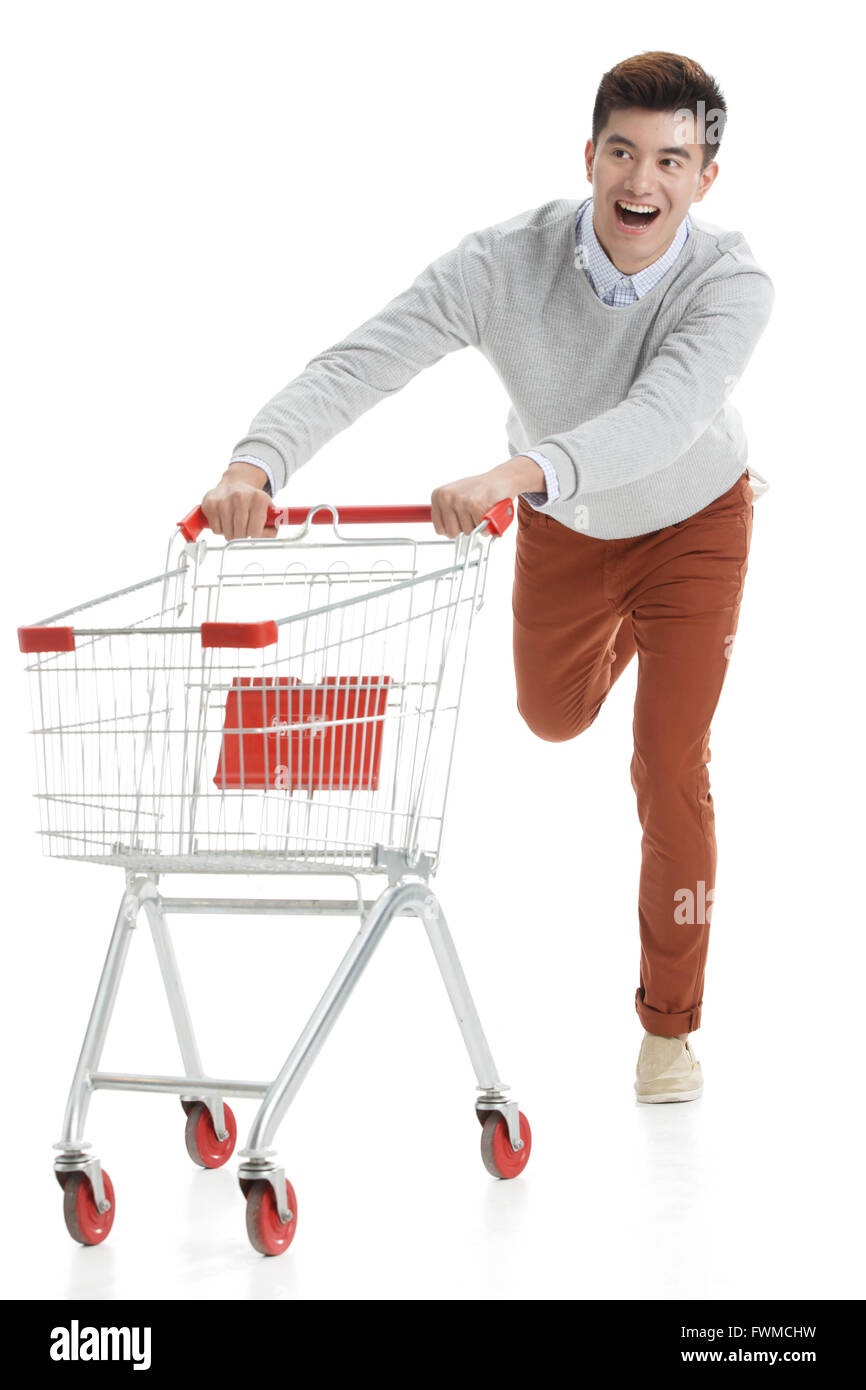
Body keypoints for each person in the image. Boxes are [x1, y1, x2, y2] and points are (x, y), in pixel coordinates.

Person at [201, 50, 774, 1104]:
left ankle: (665, 1027)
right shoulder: (501, 263)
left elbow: (666, 413)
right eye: (620, 153)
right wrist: (256, 461)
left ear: (704, 177)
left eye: (669, 159)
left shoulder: (731, 281)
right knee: (551, 716)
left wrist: (519, 469)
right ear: (587, 155)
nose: (639, 183)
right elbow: (363, 358)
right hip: (567, 520)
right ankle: (635, 628)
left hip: (694, 518)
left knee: (667, 755)